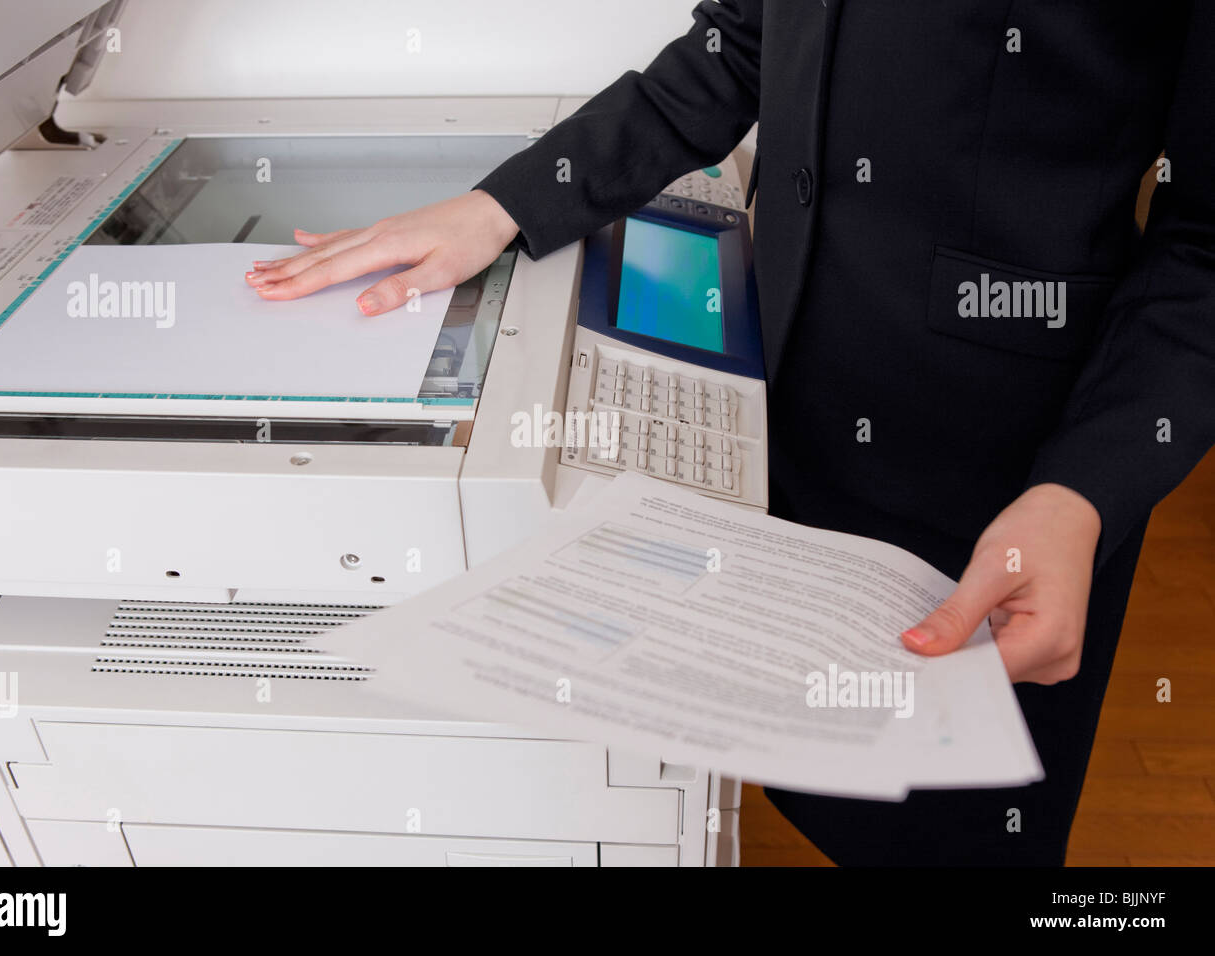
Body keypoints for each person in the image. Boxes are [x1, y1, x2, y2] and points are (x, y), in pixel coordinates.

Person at [243, 1, 1214, 865]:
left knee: (936, 821)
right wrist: (501, 206)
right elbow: (738, 42)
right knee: (793, 752)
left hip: (994, 468)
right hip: (781, 386)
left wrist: (1084, 491)